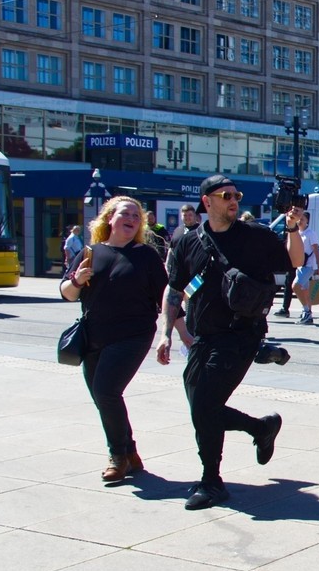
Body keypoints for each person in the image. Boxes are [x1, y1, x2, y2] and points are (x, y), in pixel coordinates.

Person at [158, 175, 302, 510]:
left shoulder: (255, 236)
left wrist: (293, 230)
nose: (234, 200)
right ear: (207, 202)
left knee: (206, 405)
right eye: (226, 195)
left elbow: (293, 262)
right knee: (200, 407)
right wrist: (167, 332)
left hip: (241, 335)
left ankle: (212, 481)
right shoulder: (188, 242)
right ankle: (261, 427)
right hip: (202, 337)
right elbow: (176, 289)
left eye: (236, 195)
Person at [61, 196, 167, 483]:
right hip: (94, 336)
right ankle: (130, 451)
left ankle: (118, 456)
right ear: (110, 218)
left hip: (133, 335)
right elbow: (66, 294)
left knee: (106, 391)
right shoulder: (90, 253)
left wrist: (173, 334)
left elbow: (166, 298)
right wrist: (77, 281)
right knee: (102, 397)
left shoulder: (146, 256)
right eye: (125, 214)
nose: (132, 219)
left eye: (136, 215)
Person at [291, 212, 319, 325]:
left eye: (302, 219)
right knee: (305, 290)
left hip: (308, 266)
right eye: (299, 219)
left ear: (307, 221)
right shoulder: (297, 233)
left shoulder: (310, 233)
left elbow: (316, 251)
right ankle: (308, 315)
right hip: (299, 265)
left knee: (295, 286)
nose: (300, 221)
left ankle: (306, 311)